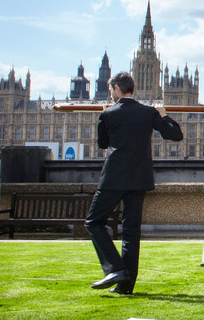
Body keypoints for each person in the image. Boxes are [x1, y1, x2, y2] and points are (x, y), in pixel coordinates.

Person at [85, 71, 184, 294]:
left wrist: (105, 117)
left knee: (93, 222)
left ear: (117, 89)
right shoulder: (148, 112)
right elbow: (176, 135)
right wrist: (164, 115)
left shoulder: (108, 113)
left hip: (114, 177)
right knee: (131, 231)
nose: (111, 93)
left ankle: (115, 268)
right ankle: (125, 287)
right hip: (139, 178)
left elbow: (103, 143)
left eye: (111, 90)